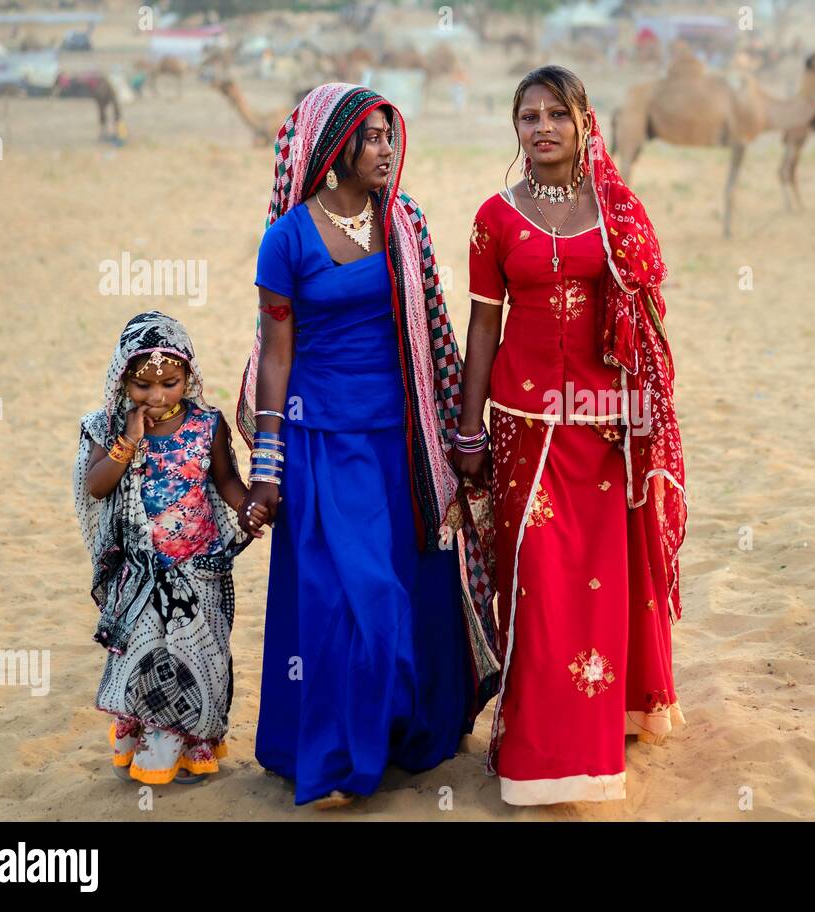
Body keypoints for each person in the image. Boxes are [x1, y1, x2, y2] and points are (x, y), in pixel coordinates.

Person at [238, 82, 499, 809]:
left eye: (390, 136)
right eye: (373, 138)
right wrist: (267, 465)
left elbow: (432, 328)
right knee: (342, 599)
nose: (387, 150)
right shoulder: (287, 240)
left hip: (403, 442)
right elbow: (276, 355)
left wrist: (454, 434)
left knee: (408, 590)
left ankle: (397, 737)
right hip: (322, 440)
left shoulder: (404, 223)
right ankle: (333, 755)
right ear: (336, 149)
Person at [454, 65, 687, 805]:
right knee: (538, 586)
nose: (544, 127)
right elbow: (482, 326)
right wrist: (468, 427)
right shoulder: (494, 218)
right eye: (529, 116)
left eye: (558, 113)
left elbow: (646, 325)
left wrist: (641, 419)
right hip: (522, 428)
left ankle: (594, 742)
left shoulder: (619, 212)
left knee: (597, 590)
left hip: (605, 427)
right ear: (515, 128)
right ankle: (538, 753)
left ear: (586, 122)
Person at [74, 311, 254, 785]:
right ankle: (149, 753)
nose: (157, 396)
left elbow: (226, 481)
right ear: (123, 380)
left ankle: (190, 751)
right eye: (143, 385)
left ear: (188, 377)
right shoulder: (109, 427)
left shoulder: (208, 425)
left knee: (200, 659)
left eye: (170, 384)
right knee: (148, 658)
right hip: (141, 572)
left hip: (199, 568)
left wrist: (248, 508)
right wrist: (128, 442)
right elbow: (96, 487)